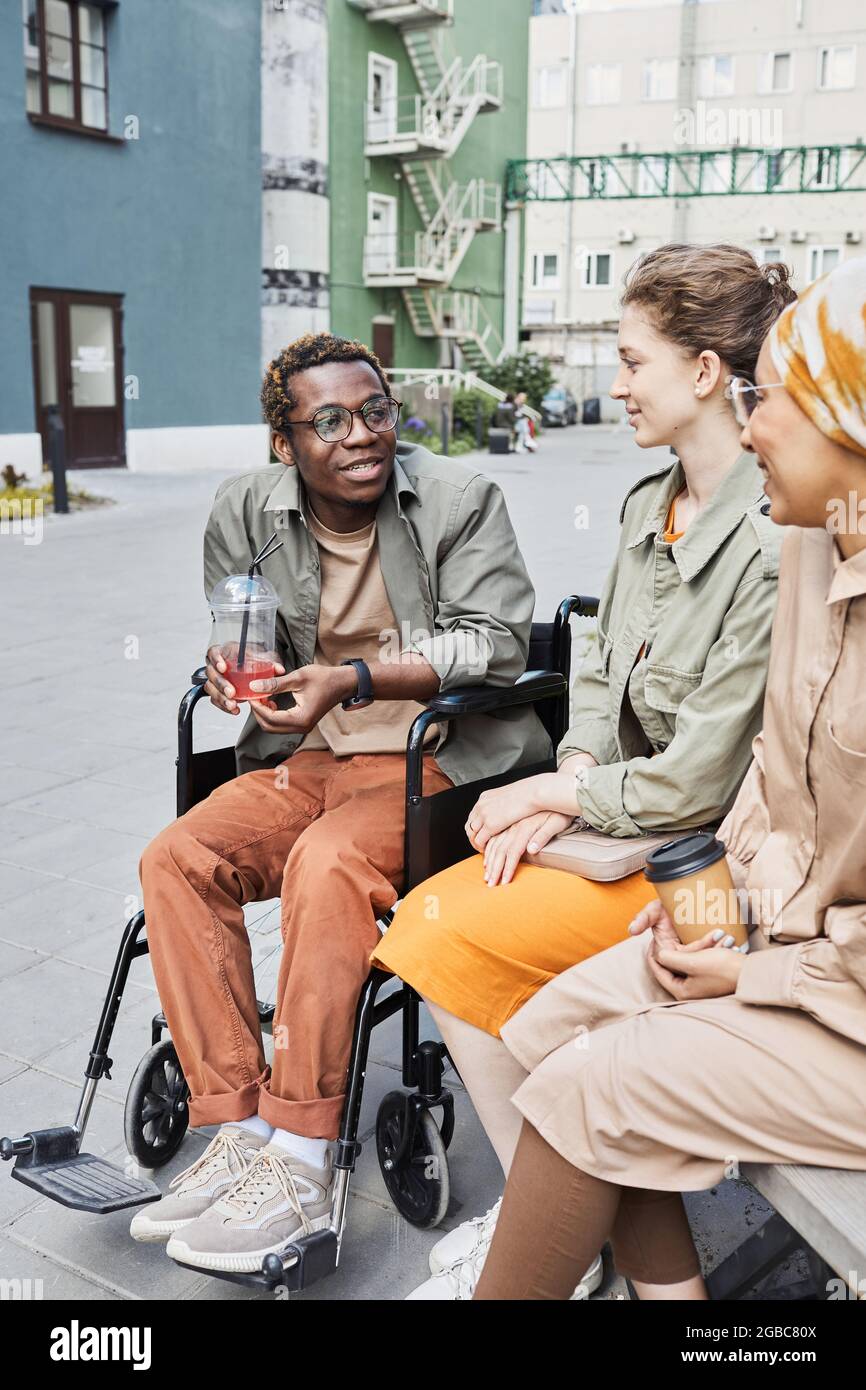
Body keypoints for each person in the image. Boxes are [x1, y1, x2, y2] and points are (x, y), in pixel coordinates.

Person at [372, 244, 795, 1298]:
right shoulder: (642, 506)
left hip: (698, 865)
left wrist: (553, 797)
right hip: (618, 825)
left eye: (629, 359)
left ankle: (551, 1238)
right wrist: (558, 787)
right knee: (440, 927)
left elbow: (699, 777)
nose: (612, 383)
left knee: (443, 935)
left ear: (703, 372)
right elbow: (596, 679)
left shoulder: (770, 536)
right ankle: (564, 1231)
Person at [471, 251, 866, 1300]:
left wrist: (760, 975)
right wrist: (717, 901)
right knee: (543, 1035)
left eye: (772, 399)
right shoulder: (811, 545)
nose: (746, 428)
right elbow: (769, 783)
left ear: (848, 416)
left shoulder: (766, 535)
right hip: (794, 943)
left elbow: (698, 770)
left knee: (598, 1082)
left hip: (844, 997)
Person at [130, 332, 549, 1274]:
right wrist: (233, 671)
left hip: (438, 759)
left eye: (375, 411)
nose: (363, 436)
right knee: (175, 859)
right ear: (285, 443)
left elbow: (496, 646)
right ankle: (242, 1130)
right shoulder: (244, 508)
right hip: (310, 755)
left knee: (329, 862)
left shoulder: (458, 499)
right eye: (330, 420)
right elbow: (237, 623)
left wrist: (354, 678)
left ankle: (308, 1156)